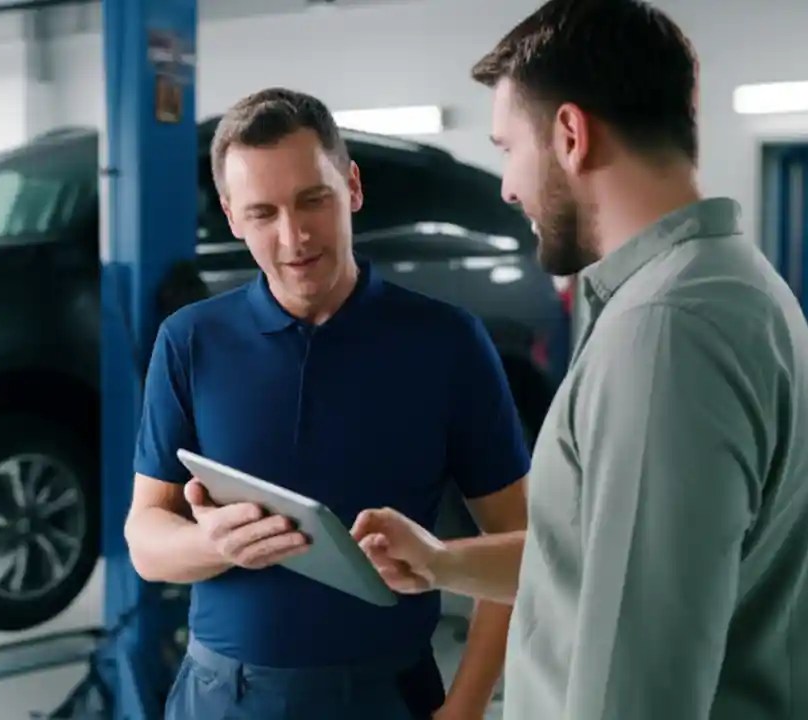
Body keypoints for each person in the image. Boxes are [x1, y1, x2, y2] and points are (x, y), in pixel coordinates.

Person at [353, 1, 808, 719]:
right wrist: (444, 562)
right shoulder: (721, 285)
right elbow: (603, 557)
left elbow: (637, 691)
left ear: (571, 134)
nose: (508, 187)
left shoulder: (667, 329)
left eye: (507, 147)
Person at [124, 87, 532, 719]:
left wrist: (467, 707)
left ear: (353, 187)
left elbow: (519, 544)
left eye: (313, 199)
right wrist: (217, 546)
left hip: (383, 697)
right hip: (219, 698)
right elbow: (146, 543)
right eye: (263, 213)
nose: (294, 237)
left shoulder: (445, 343)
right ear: (232, 217)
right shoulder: (190, 341)